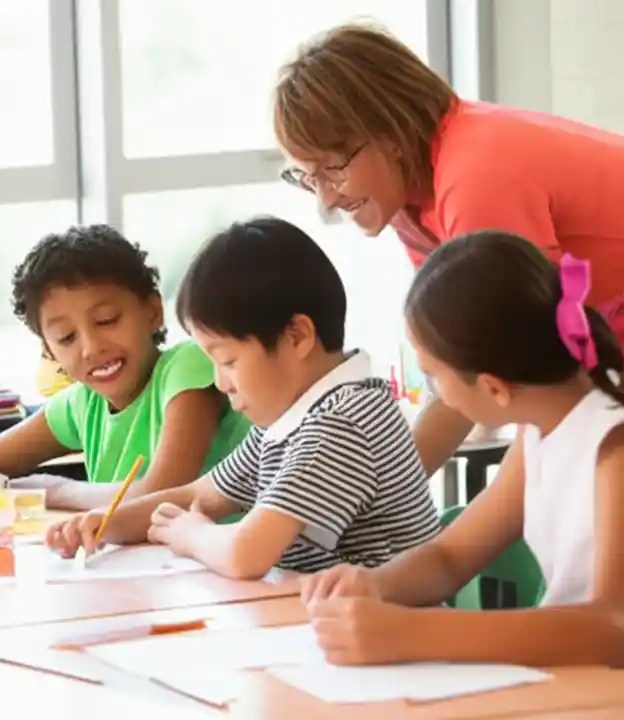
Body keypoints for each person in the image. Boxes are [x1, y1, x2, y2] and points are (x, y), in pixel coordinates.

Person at [273, 22, 624, 479]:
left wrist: (379, 493)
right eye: (307, 177)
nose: (326, 200)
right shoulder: (409, 197)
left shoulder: (475, 178)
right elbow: (457, 359)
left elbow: (519, 367)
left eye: (332, 169)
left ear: (391, 136)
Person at [47, 218, 439, 580]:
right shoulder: (289, 421)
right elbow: (200, 494)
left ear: (297, 337)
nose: (221, 383)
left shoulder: (342, 423)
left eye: (228, 360)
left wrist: (192, 534)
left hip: (394, 639)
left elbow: (246, 554)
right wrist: (106, 522)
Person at [303, 230, 624, 666]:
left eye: (434, 375)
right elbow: (450, 557)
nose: (438, 394)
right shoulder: (540, 436)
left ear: (493, 387)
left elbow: (612, 627)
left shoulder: (613, 446)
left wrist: (410, 632)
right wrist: (374, 584)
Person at [0, 225, 250, 511]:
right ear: (49, 351)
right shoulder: (80, 404)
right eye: (66, 337)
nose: (91, 347)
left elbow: (161, 493)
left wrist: (51, 489)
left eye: (107, 320)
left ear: (153, 311)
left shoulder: (187, 367)